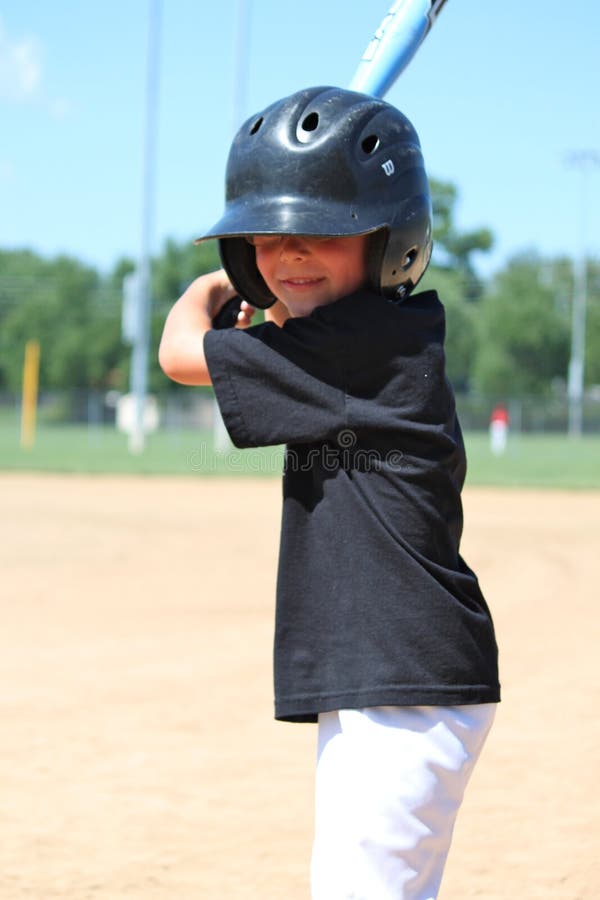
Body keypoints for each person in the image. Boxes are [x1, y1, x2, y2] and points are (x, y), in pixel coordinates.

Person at [159, 86, 500, 900]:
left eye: (319, 231)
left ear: (391, 239)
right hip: (392, 681)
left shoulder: (354, 351)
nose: (289, 254)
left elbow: (179, 352)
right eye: (265, 239)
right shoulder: (380, 335)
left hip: (402, 686)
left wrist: (219, 281)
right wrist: (265, 284)